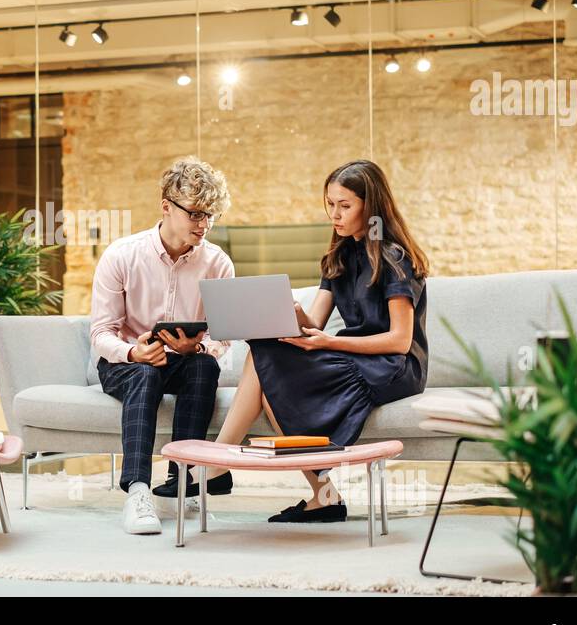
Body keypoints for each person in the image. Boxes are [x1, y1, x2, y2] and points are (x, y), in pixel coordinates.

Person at [206, 159, 429, 523]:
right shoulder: (338, 256)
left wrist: (327, 343)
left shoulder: (394, 259)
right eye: (330, 204)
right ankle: (321, 495)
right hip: (351, 358)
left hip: (392, 367)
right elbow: (316, 325)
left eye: (345, 206)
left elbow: (400, 342)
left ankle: (218, 462)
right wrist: (290, 315)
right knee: (265, 352)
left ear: (370, 208)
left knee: (268, 369)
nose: (335, 215)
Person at [90, 157, 235, 535]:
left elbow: (223, 336)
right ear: (166, 206)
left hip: (184, 362)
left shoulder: (217, 263)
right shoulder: (122, 255)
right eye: (196, 214)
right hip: (127, 363)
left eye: (211, 215)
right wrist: (133, 352)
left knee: (205, 368)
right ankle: (137, 491)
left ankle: (182, 481)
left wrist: (199, 350)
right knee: (145, 372)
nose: (204, 225)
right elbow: (102, 333)